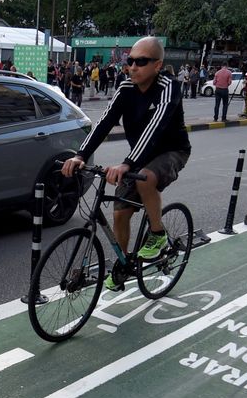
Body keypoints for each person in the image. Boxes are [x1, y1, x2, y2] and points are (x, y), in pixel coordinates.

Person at [60, 37, 191, 291]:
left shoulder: (169, 87)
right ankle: (122, 265)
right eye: (130, 60)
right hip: (141, 154)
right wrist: (80, 155)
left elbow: (155, 129)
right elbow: (104, 123)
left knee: (146, 177)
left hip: (172, 151)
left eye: (141, 61)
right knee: (120, 212)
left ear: (158, 65)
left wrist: (127, 163)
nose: (133, 66)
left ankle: (157, 233)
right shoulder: (126, 88)